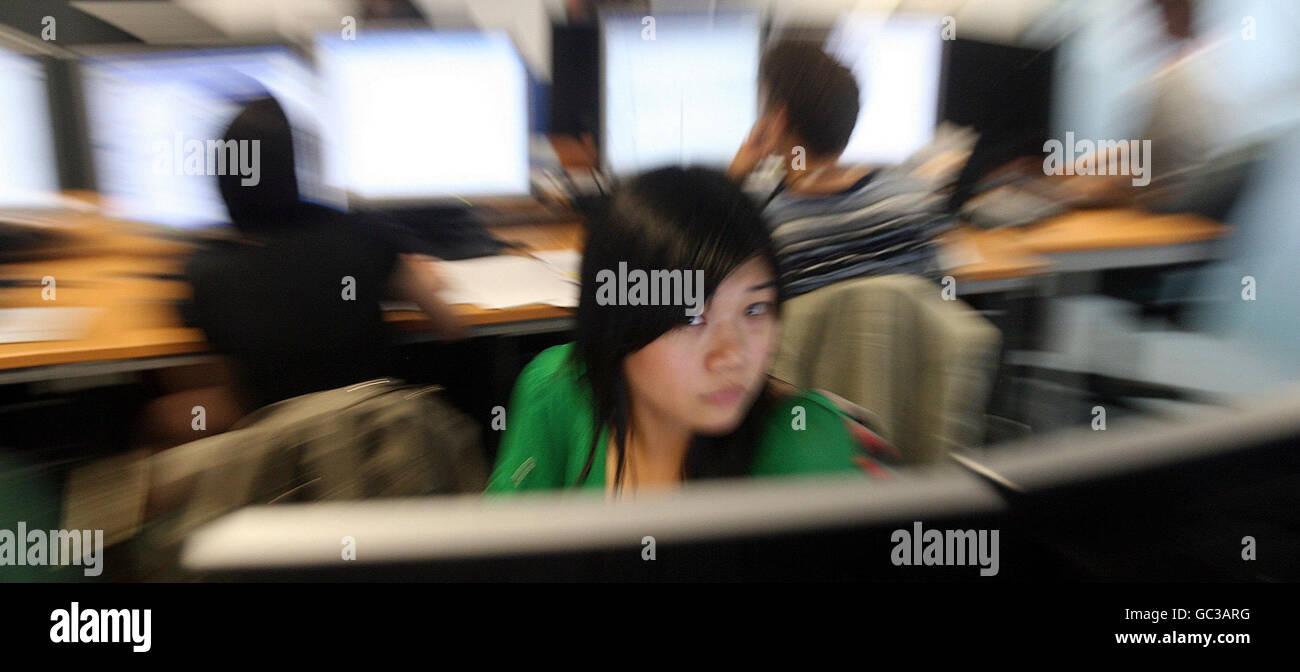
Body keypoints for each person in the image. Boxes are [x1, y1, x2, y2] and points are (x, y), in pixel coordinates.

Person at [486, 167, 863, 496]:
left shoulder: (800, 443)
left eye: (754, 309)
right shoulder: (557, 389)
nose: (733, 355)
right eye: (692, 318)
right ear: (618, 323)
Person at [182, 96, 463, 416]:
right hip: (378, 439)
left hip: (275, 447)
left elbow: (229, 387)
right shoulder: (361, 236)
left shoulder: (209, 273)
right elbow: (450, 326)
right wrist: (403, 278)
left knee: (161, 414)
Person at [728, 40, 948, 299]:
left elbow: (697, 253)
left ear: (779, 119)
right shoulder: (913, 199)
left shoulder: (770, 229)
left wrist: (735, 175)